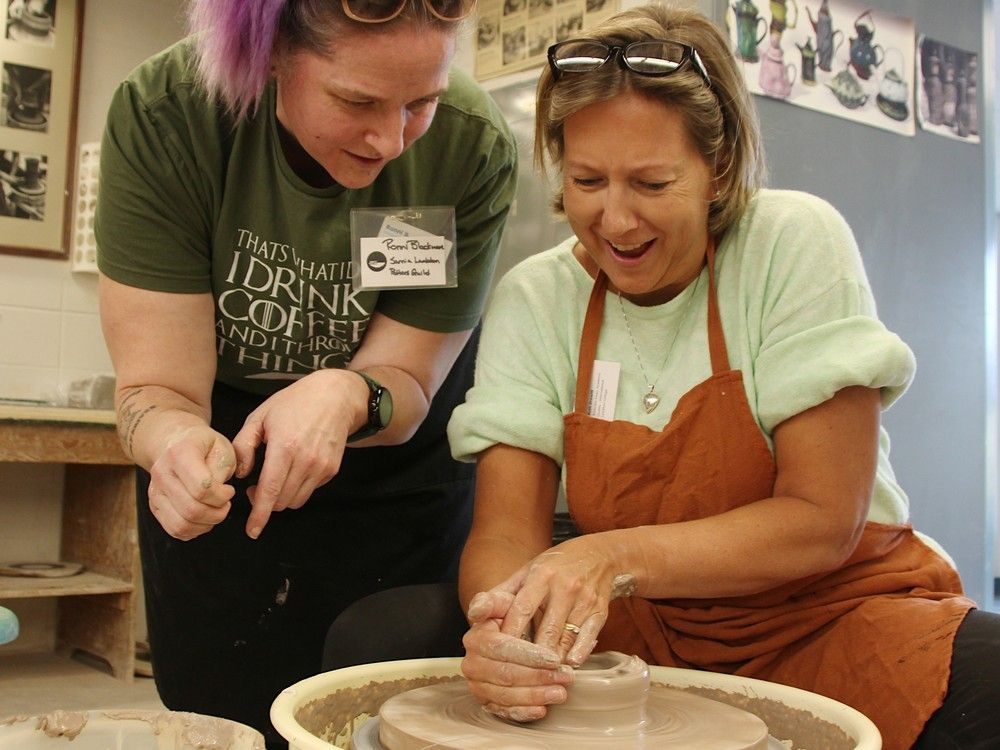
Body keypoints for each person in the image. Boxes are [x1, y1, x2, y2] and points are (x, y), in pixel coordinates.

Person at [448, 4, 1000, 749]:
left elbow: (821, 520)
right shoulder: (535, 297)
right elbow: (505, 532)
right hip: (643, 631)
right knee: (388, 632)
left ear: (721, 168)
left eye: (650, 183)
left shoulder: (790, 242)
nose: (613, 219)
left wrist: (610, 555)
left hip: (828, 613)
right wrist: (504, 625)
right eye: (586, 179)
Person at [95, 0, 516, 746]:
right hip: (225, 440)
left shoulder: (463, 144)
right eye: (356, 101)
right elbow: (157, 392)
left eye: (420, 101)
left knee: (387, 698)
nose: (390, 141)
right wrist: (171, 446)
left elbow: (405, 380)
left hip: (393, 458)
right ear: (270, 57)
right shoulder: (171, 118)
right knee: (222, 699)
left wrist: (347, 390)